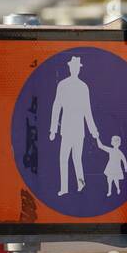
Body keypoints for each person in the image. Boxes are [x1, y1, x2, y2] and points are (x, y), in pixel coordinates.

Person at [48, 56, 99, 196]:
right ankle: (64, 188)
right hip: (66, 128)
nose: (75, 69)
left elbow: (87, 110)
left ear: (79, 69)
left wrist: (93, 130)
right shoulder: (62, 85)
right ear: (70, 68)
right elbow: (56, 107)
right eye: (73, 67)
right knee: (63, 159)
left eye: (77, 67)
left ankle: (81, 184)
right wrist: (53, 129)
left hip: (78, 130)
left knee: (77, 158)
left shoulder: (83, 87)